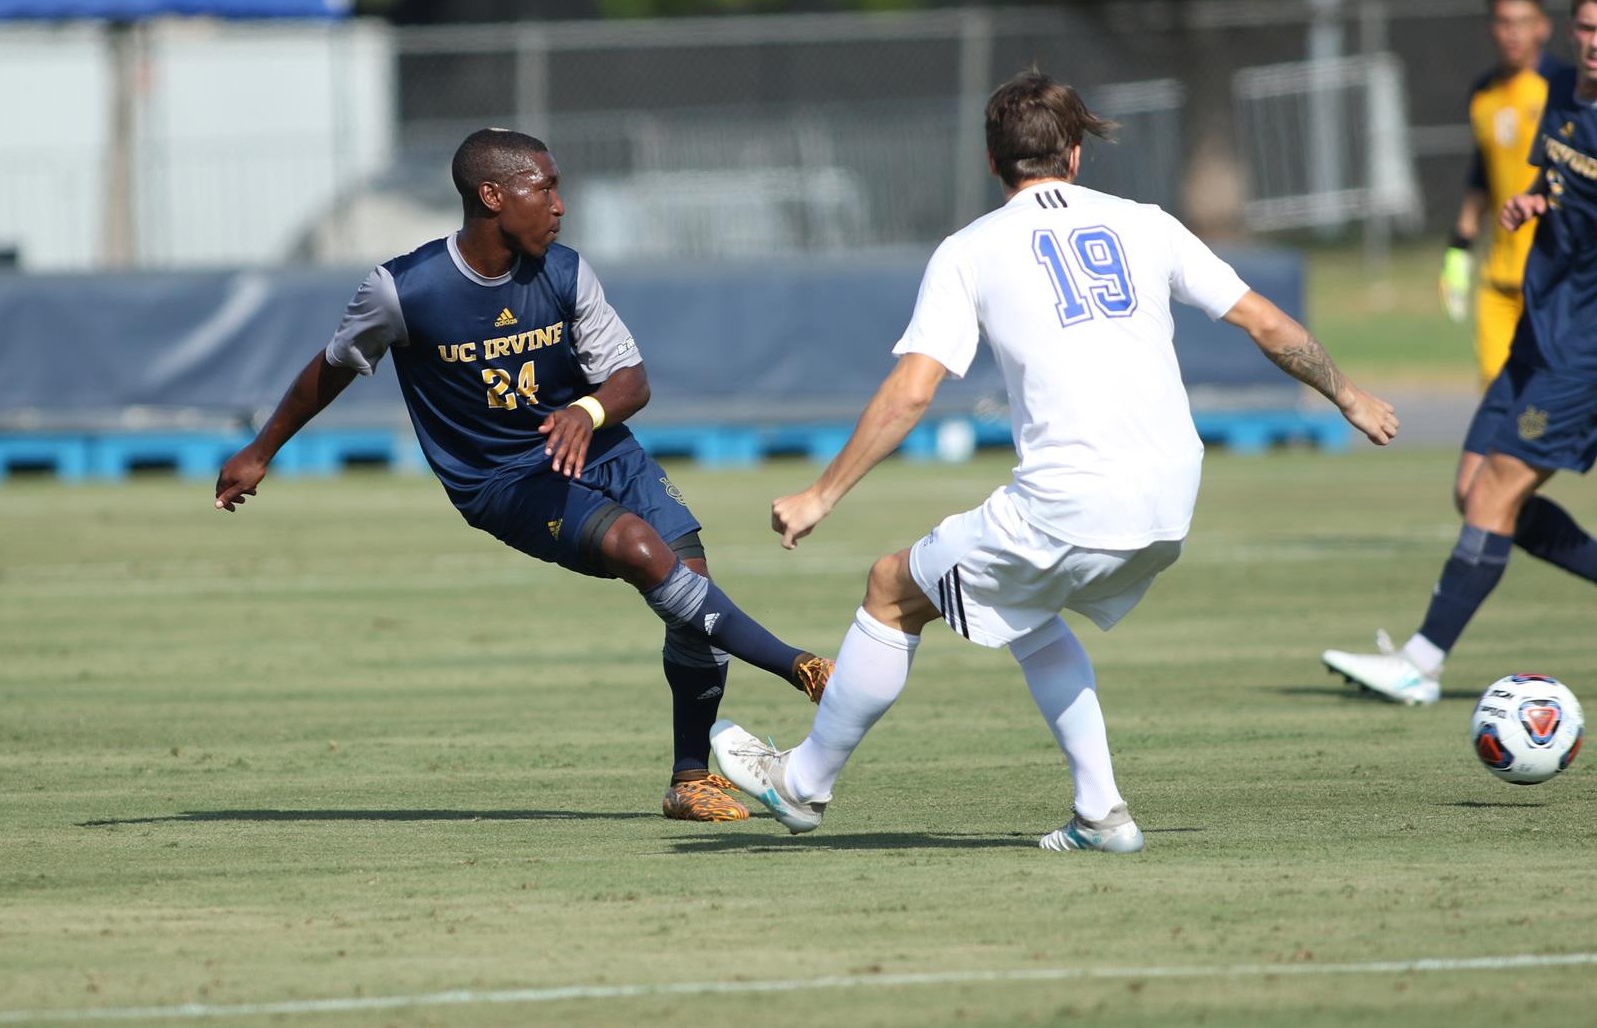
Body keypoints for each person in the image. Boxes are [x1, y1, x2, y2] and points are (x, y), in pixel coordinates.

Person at [707, 72, 1397, 851]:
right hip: (1172, 501)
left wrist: (821, 494)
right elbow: (1266, 323)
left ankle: (801, 786)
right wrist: (1350, 397)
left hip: (1072, 502)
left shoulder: (970, 249)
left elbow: (911, 392)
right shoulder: (1146, 223)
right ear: (1074, 156)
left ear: (993, 164)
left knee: (892, 588)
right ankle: (1102, 814)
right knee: (1028, 615)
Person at [213, 128, 832, 822]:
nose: (560, 204)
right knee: (640, 554)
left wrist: (587, 411)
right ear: (493, 195)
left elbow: (632, 380)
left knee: (690, 583)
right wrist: (262, 449)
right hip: (501, 479)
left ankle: (690, 778)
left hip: (601, 446)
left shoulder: (566, 272)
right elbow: (330, 368)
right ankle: (805, 669)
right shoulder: (403, 290)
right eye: (546, 187)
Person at [1324, 0, 1597, 705]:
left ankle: (1420, 662)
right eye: (1589, 27)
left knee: (1498, 489)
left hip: (1583, 353)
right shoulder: (1565, 90)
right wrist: (1534, 203)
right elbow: (1553, 176)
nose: (1594, 42)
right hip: (1534, 331)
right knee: (1471, 488)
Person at [1442, 0, 1571, 394]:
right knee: (1497, 401)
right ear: (1491, 29)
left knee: (1552, 403)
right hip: (1499, 277)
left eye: (1521, 23)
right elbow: (1482, 174)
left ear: (1542, 28)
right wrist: (1458, 251)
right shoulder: (1483, 93)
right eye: (1503, 23)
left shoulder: (1566, 88)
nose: (1512, 33)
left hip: (1556, 276)